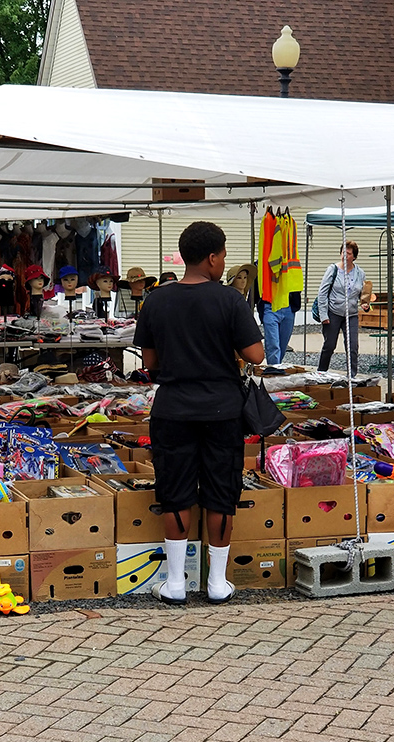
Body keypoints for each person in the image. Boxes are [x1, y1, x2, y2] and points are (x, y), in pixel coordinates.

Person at [133, 221, 264, 605]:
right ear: (211, 258)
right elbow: (256, 355)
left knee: (175, 492)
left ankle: (175, 584)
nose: (223, 262)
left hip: (173, 408)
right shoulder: (229, 300)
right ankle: (217, 583)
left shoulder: (156, 300)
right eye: (222, 255)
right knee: (221, 492)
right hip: (223, 410)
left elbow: (150, 362)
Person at [317, 240, 369, 376]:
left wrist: (365, 303)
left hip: (351, 314)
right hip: (333, 312)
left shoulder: (360, 273)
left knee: (352, 346)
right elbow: (322, 293)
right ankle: (321, 372)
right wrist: (323, 315)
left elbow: (361, 293)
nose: (345, 256)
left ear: (354, 257)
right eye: (343, 252)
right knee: (329, 345)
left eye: (348, 253)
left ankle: (351, 376)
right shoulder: (332, 270)